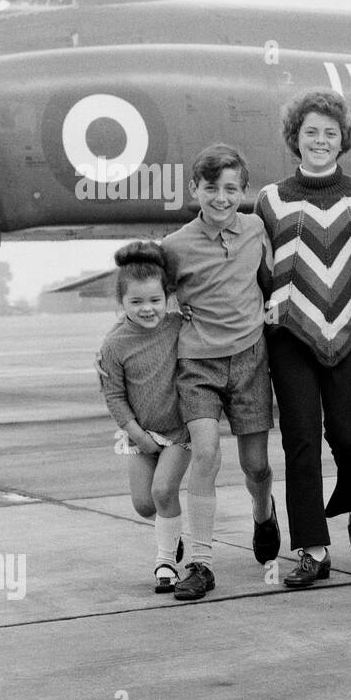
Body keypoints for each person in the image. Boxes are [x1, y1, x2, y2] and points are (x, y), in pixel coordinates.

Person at [256, 90, 351, 587]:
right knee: (301, 440)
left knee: (348, 435)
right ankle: (313, 548)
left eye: (330, 132)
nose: (320, 140)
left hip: (349, 330)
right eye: (311, 131)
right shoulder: (271, 198)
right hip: (289, 334)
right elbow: (260, 265)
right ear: (296, 137)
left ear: (343, 139)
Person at [162, 144, 278, 601]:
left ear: (242, 192)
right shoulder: (173, 247)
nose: (221, 198)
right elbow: (156, 301)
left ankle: (263, 512)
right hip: (198, 365)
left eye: (231, 189)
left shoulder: (256, 229)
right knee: (206, 454)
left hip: (250, 359)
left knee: (257, 465)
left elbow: (270, 281)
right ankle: (202, 563)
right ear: (196, 189)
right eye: (211, 188)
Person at [97, 241, 191, 591]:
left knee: (165, 490)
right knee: (144, 504)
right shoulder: (114, 344)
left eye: (154, 300)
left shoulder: (178, 325)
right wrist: (137, 435)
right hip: (141, 432)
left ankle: (165, 563)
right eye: (136, 302)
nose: (147, 309)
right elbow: (114, 396)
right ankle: (171, 531)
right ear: (121, 303)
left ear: (167, 296)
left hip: (180, 430)